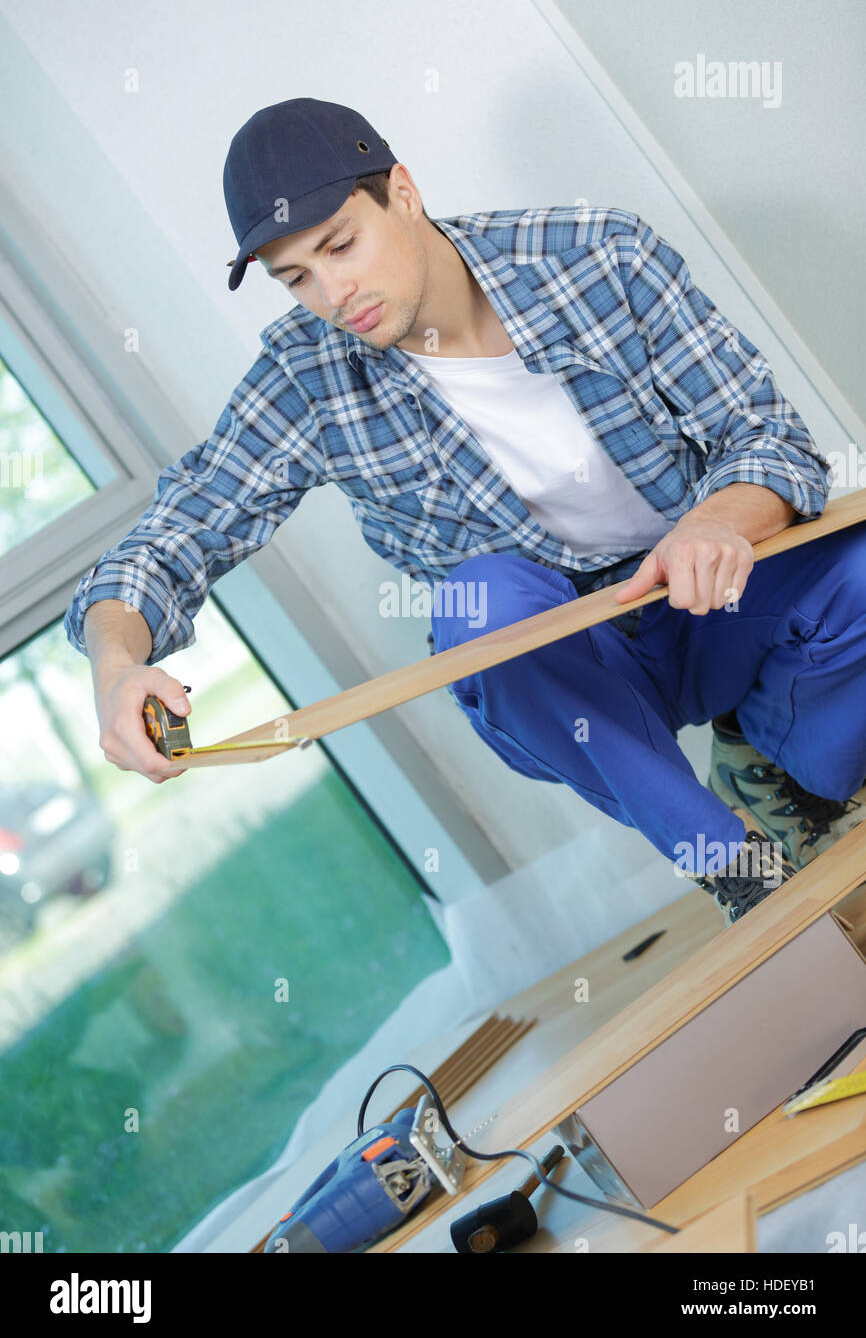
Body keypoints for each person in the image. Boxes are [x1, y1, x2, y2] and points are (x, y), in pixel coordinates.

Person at [65, 97, 866, 925]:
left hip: (713, 600)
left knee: (858, 564)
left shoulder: (600, 255)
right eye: (295, 277)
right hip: (566, 670)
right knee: (478, 599)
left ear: (403, 192)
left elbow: (765, 436)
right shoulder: (307, 379)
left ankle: (778, 762)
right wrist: (117, 669)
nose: (333, 293)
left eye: (340, 245)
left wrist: (717, 523)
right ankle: (734, 866)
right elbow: (171, 539)